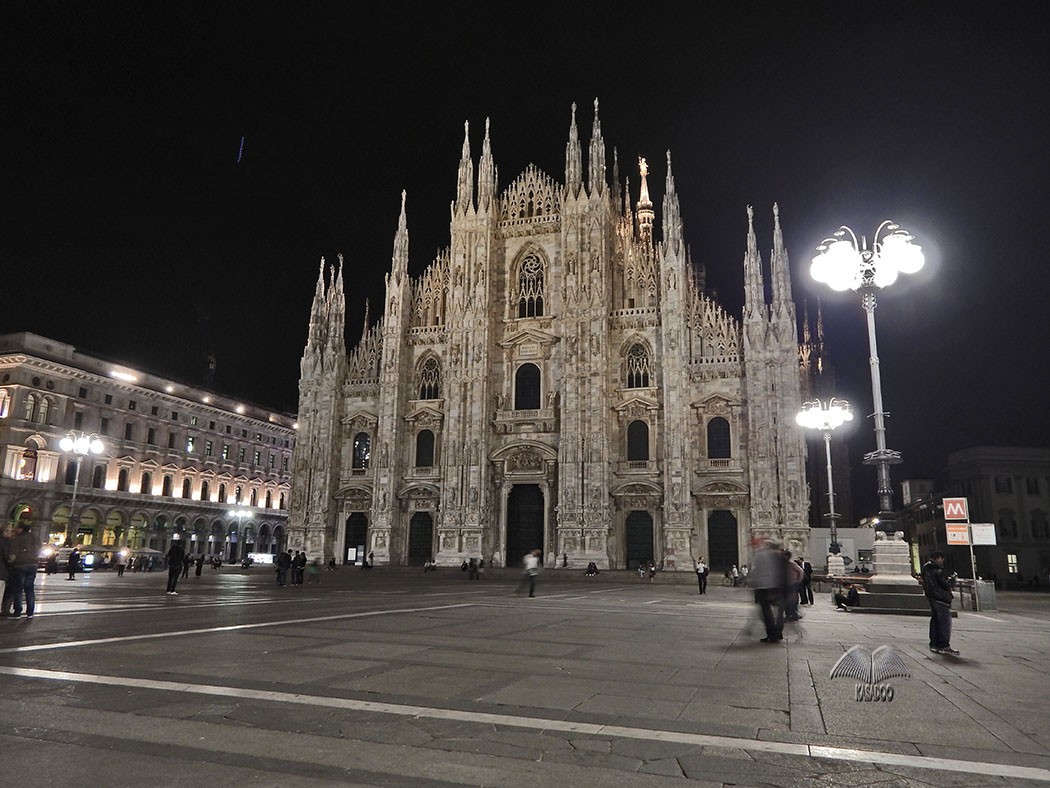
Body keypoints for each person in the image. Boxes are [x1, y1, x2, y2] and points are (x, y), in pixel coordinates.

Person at [922, 551, 959, 655]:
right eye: (942, 559)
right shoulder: (937, 569)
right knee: (944, 623)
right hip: (941, 598)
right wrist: (953, 580)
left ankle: (934, 644)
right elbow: (945, 585)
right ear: (938, 558)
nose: (942, 561)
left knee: (935, 622)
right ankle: (943, 645)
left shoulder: (926, 568)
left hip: (932, 598)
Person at [749, 540, 786, 643]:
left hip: (764, 587)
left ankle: (772, 634)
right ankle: (777, 633)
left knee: (767, 612)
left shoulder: (762, 555)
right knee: (778, 612)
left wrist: (753, 582)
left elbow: (758, 571)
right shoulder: (779, 556)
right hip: (777, 586)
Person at [8, 521, 41, 618]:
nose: (14, 529)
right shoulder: (35, 537)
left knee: (18, 589)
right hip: (33, 565)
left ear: (21, 529)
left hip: (20, 565)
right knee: (29, 588)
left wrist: (10, 562)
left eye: (16, 527)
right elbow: (39, 549)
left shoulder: (18, 539)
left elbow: (13, 553)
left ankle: (17, 612)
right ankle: (30, 612)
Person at [783, 552, 804, 621]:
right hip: (785, 584)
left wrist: (798, 580)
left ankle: (792, 614)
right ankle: (789, 614)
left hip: (792, 584)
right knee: (786, 600)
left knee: (791, 600)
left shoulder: (792, 564)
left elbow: (801, 572)